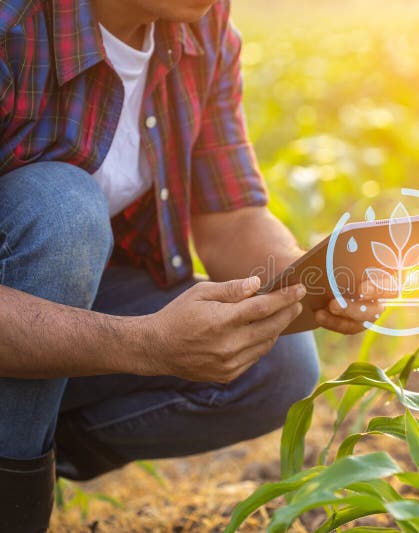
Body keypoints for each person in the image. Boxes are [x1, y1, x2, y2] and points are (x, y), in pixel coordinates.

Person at [0, 1, 382, 530]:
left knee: (278, 360)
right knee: (62, 207)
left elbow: (231, 217)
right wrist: (145, 345)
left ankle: (24, 454)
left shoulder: (201, 24)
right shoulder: (13, 25)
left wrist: (313, 279)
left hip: (56, 309)